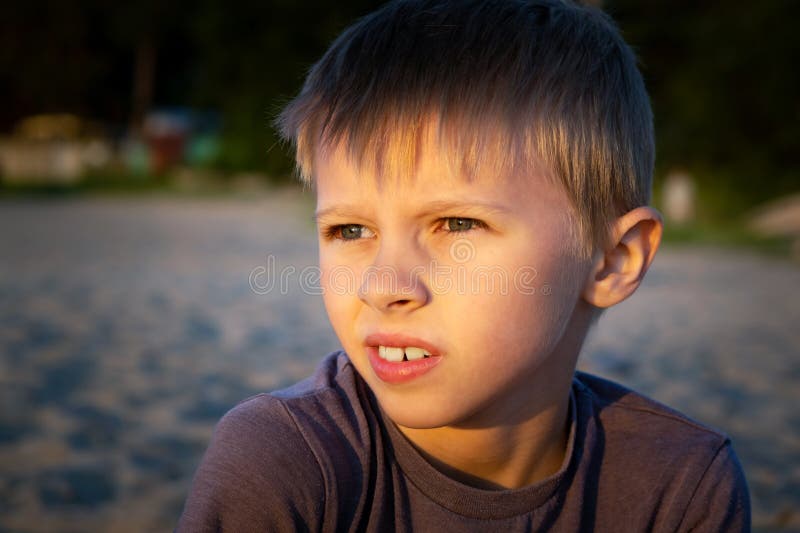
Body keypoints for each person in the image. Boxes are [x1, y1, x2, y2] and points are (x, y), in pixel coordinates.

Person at [177, 0, 751, 530]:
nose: (384, 286)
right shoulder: (284, 464)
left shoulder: (681, 489)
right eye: (350, 230)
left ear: (612, 261)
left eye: (456, 224)